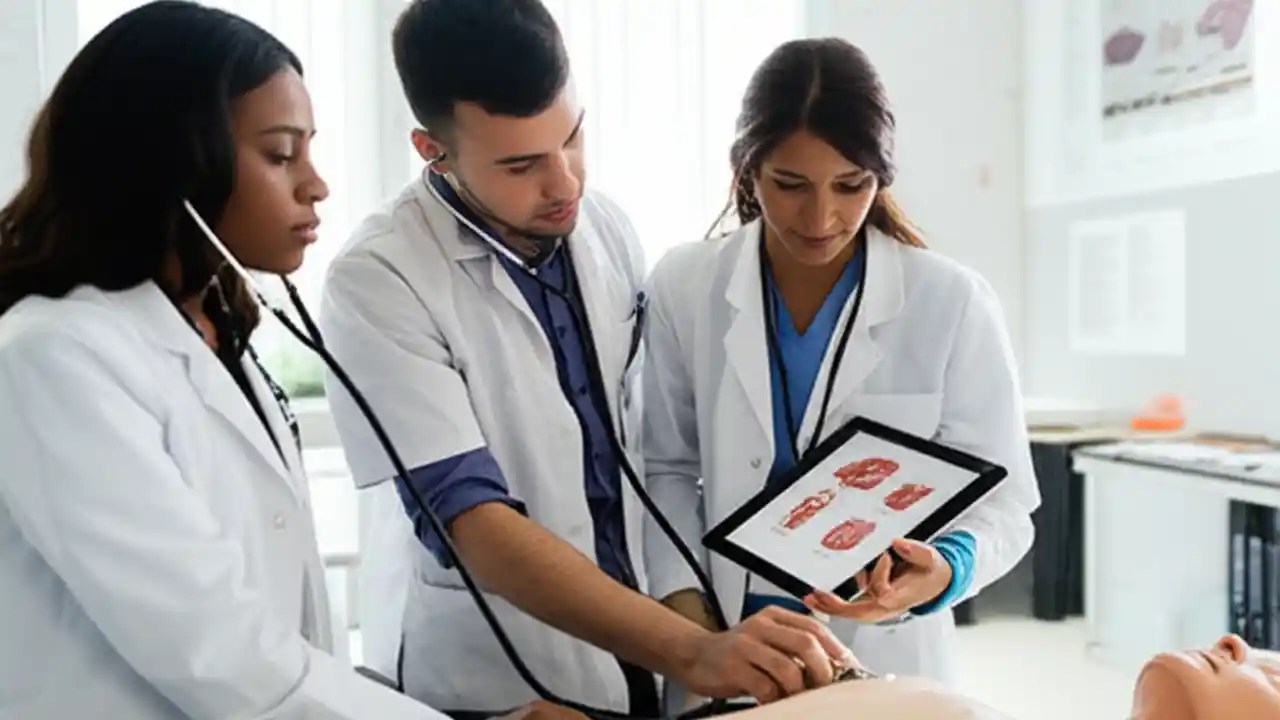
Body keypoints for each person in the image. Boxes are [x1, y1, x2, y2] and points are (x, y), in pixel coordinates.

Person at [0, 3, 577, 719]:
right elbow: (215, 651)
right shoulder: (55, 357)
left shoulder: (216, 340)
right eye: (280, 155)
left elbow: (288, 641)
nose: (316, 184)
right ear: (174, 165)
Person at [319, 0, 854, 715]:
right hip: (498, 676)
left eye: (572, 138)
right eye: (521, 165)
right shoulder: (380, 278)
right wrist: (693, 651)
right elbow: (469, 519)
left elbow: (642, 451)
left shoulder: (603, 228)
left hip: (640, 649)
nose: (565, 182)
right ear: (431, 151)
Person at [643, 37, 1042, 693]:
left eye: (851, 185)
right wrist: (696, 634)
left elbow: (1005, 502)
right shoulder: (685, 286)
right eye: (790, 185)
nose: (821, 216)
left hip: (882, 648)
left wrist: (943, 568)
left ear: (880, 177)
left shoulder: (948, 301)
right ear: (747, 170)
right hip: (726, 640)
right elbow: (665, 469)